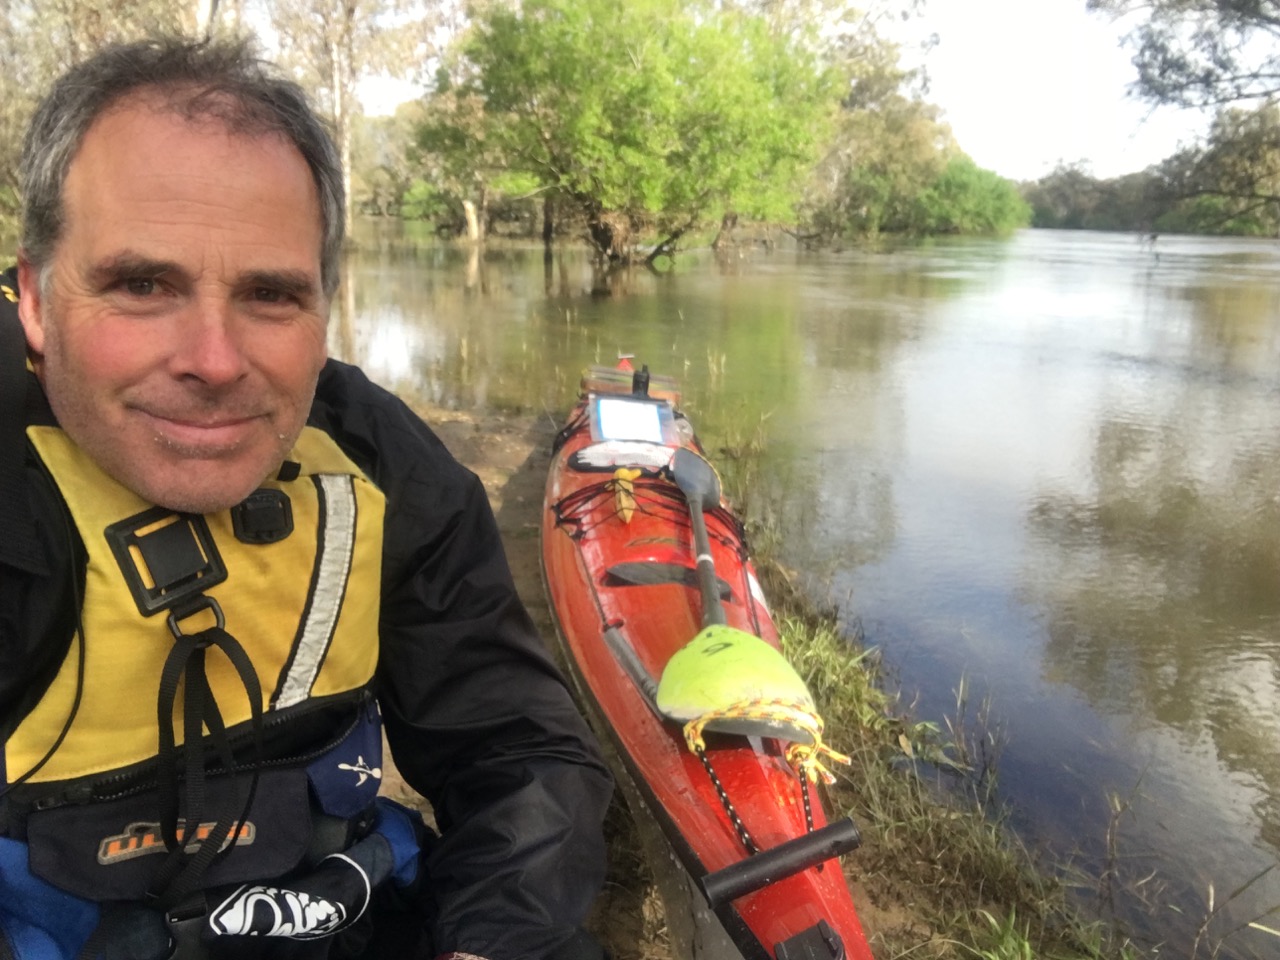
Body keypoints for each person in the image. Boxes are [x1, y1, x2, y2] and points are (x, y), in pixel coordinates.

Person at [0, 35, 613, 960]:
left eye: (270, 295)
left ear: (325, 308)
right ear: (36, 301)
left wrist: (492, 941)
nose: (213, 359)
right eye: (141, 284)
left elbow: (516, 749)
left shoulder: (374, 461)